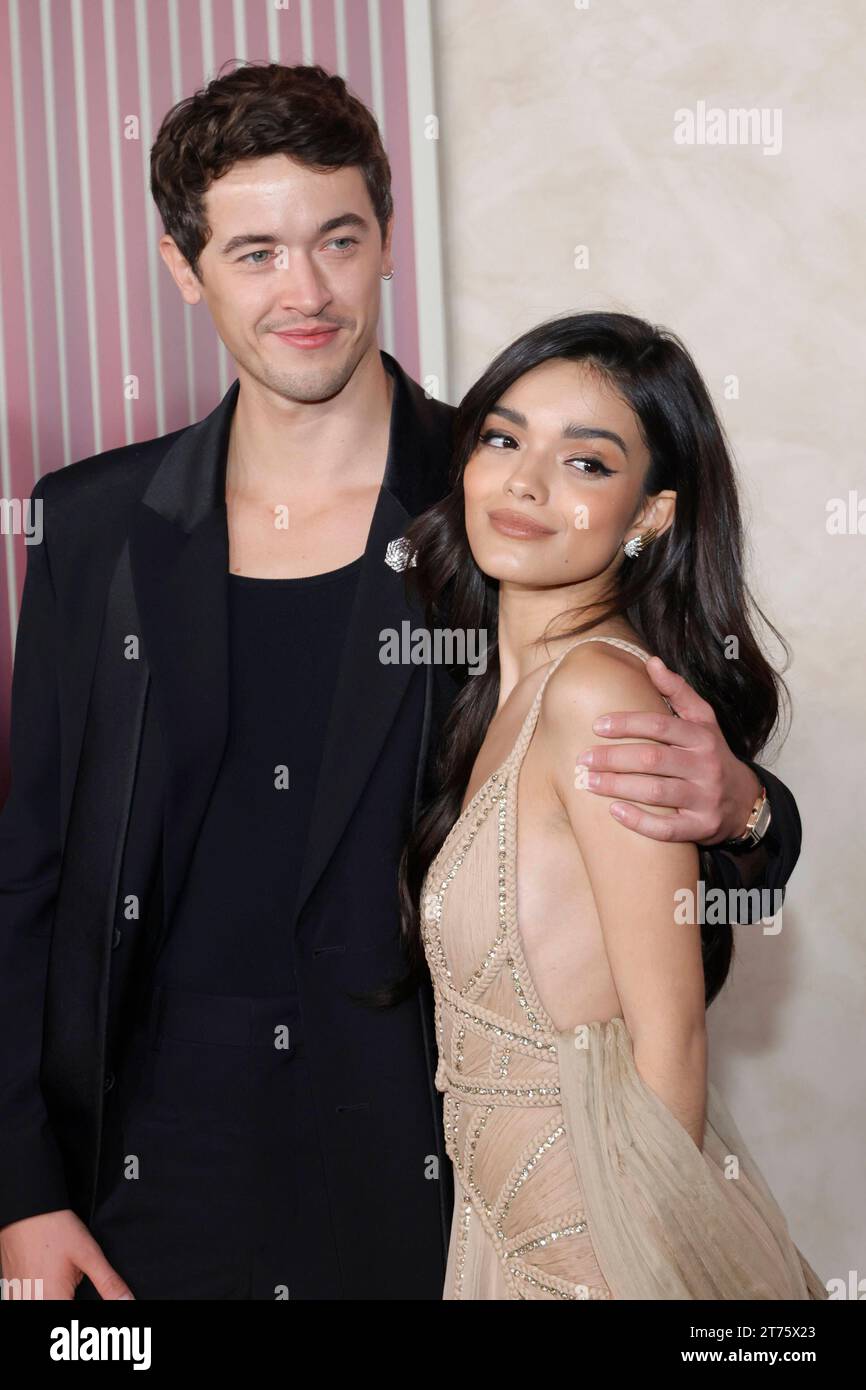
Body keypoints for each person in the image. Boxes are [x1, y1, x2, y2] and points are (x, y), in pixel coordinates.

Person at [0, 65, 801, 1302]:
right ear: (184, 268)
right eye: (255, 252)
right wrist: (24, 1188)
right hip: (142, 1181)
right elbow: (29, 879)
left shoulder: (497, 496)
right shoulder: (94, 525)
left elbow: (679, 806)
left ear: (385, 243)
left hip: (430, 1178)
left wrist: (749, 811)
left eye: (337, 239)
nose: (306, 291)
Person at [396, 310, 827, 1300]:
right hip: (499, 1218)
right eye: (502, 438)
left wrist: (622, 1271)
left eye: (585, 463)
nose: (524, 480)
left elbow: (666, 1037)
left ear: (649, 514)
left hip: (586, 1237)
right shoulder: (504, 693)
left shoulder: (598, 695)